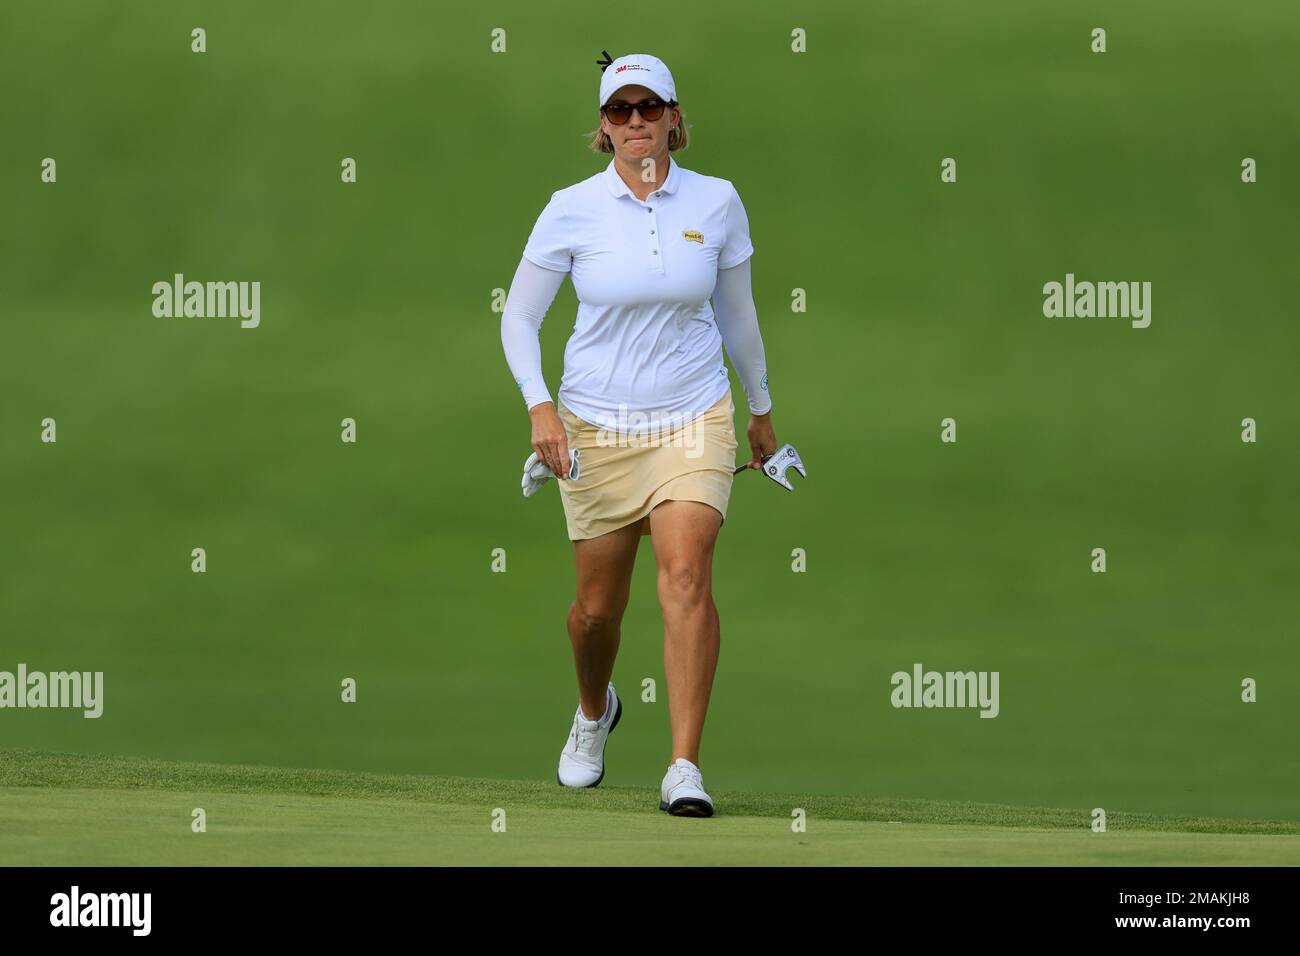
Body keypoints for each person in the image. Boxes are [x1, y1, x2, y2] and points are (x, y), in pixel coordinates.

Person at [500, 53, 776, 817]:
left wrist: (759, 407)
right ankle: (594, 710)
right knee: (597, 611)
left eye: (647, 109)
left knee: (686, 575)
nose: (634, 124)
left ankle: (684, 766)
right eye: (618, 112)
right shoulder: (571, 208)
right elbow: (519, 316)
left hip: (695, 415)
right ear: (603, 126)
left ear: (673, 117)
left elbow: (738, 313)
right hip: (595, 423)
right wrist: (539, 406)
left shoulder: (717, 202)